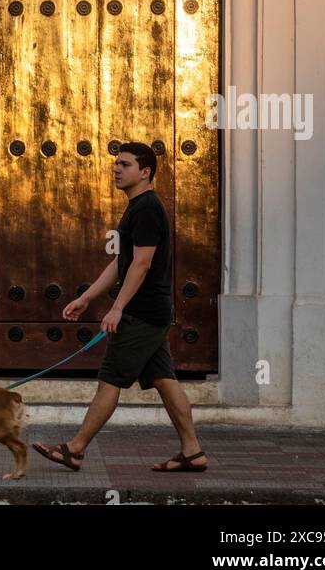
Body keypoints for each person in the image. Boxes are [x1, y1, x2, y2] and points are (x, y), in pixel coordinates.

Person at [32, 142, 207, 473]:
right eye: (116, 163)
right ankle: (192, 451)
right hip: (151, 312)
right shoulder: (138, 207)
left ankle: (75, 450)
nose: (116, 168)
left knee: (110, 379)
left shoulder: (146, 209)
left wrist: (118, 308)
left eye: (125, 164)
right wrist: (88, 297)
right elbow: (122, 262)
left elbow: (141, 263)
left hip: (141, 314)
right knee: (164, 379)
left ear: (145, 172)